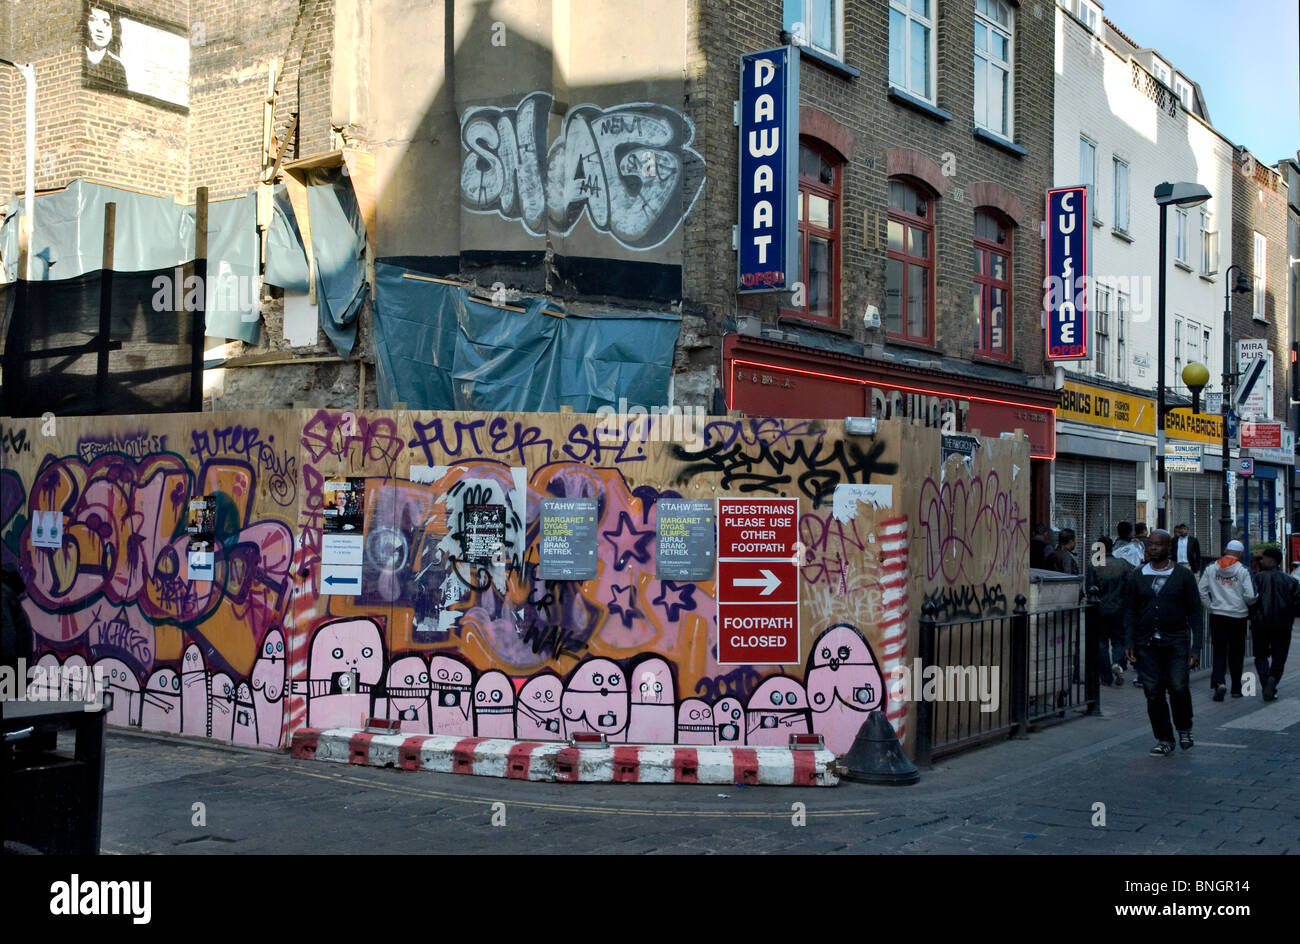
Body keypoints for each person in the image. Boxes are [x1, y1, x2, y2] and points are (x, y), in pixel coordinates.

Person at [1124, 529, 1203, 756]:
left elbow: (1196, 613)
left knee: (1178, 687)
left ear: (1169, 547)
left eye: (1158, 545)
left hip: (1176, 641)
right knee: (1153, 692)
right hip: (1146, 643)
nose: (1152, 549)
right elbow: (1129, 610)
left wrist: (1195, 648)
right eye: (1150, 545)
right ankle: (1164, 738)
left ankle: (1184, 727)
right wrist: (1129, 642)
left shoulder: (1183, 576)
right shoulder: (1137, 576)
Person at [1198, 539, 1257, 701]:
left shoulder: (1211, 568)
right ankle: (1237, 688)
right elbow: (1250, 596)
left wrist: (1211, 606)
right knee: (1237, 653)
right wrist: (1251, 602)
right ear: (1239, 553)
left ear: (1225, 550)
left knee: (1219, 652)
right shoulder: (1242, 570)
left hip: (1218, 615)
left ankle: (1220, 683)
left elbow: (1201, 590)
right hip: (1238, 616)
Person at [1248, 547, 1297, 702]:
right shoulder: (1290, 581)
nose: (1261, 560)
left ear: (1273, 560)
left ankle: (1266, 682)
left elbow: (1250, 600)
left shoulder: (1256, 579)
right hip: (1282, 625)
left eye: (1264, 558)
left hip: (1260, 623)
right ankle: (1272, 680)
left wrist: (1251, 615)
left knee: (1260, 656)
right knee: (1279, 657)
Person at [1087, 536, 1134, 686]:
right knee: (1118, 640)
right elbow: (1128, 588)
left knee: (1101, 643)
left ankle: (1106, 677)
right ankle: (1117, 664)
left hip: (1100, 609)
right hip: (1119, 609)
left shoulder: (1095, 565)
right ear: (1112, 547)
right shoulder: (1122, 564)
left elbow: (1089, 588)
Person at [85, 6, 127, 89]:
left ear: (113, 30)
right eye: (93, 20)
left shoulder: (117, 68)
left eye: (106, 23)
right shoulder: (76, 57)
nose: (99, 29)